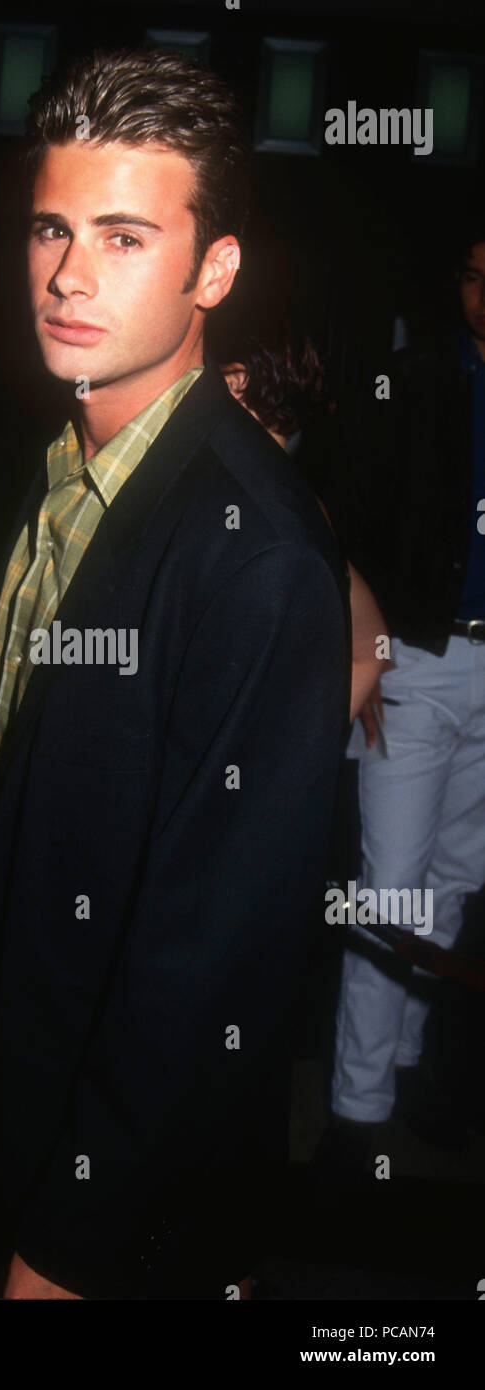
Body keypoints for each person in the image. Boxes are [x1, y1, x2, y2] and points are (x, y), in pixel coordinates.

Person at [0, 48, 349, 1300]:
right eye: (53, 228)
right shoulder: (52, 473)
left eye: (122, 237)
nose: (65, 274)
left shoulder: (254, 552)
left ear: (213, 270)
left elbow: (211, 955)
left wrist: (64, 1247)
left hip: (109, 1199)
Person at [319, 220, 485, 1160]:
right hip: (418, 662)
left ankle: (408, 1069)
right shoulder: (410, 380)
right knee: (392, 895)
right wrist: (365, 639)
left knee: (457, 882)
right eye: (471, 275)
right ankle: (358, 1114)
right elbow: (332, 514)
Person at [219, 329, 391, 722]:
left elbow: (372, 646)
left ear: (236, 383)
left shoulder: (266, 509)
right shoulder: (298, 504)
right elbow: (374, 644)